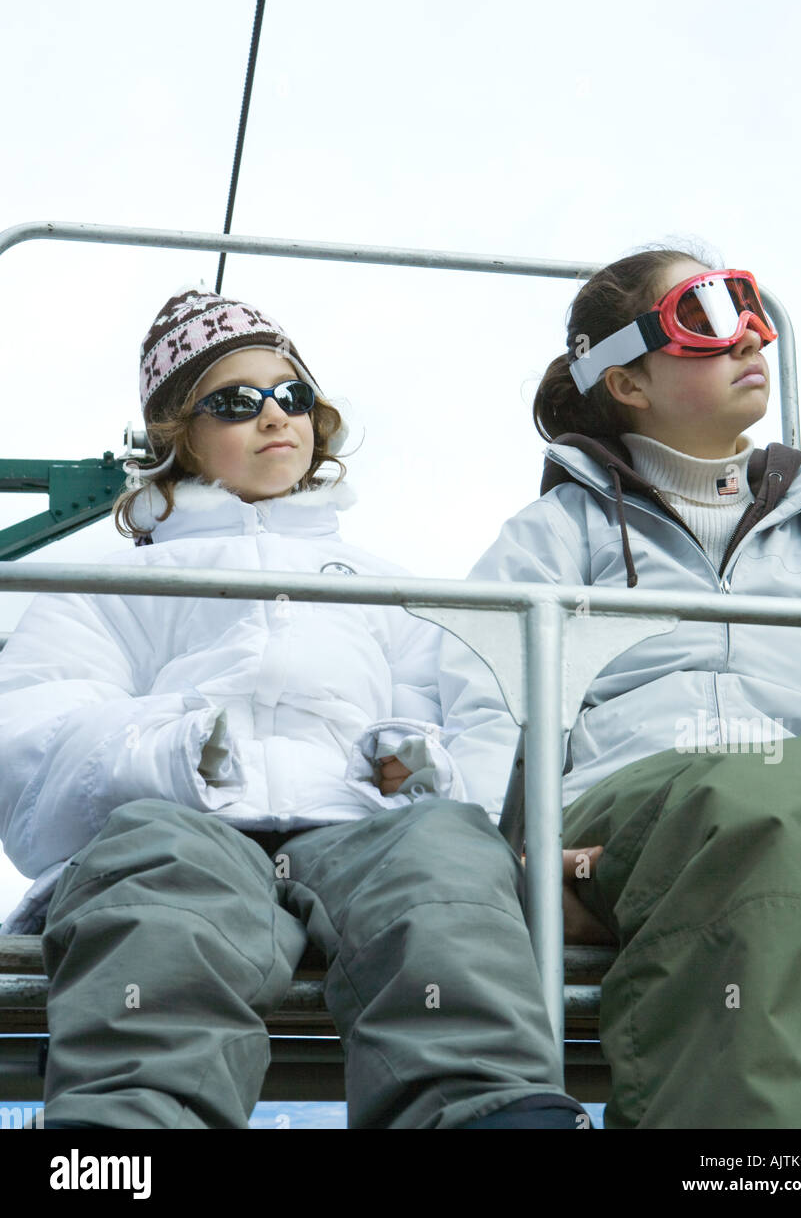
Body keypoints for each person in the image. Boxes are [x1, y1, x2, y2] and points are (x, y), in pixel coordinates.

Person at [0, 284, 587, 1130]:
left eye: (294, 397)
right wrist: (177, 753)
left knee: (442, 868)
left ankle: (480, 1107)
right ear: (179, 438)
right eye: (236, 404)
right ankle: (131, 1122)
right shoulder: (120, 583)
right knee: (161, 889)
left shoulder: (385, 586)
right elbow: (36, 727)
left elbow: (467, 712)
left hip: (357, 824)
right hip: (192, 821)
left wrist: (413, 762)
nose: (276, 417)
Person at [437, 249, 801, 1129]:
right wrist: (510, 861)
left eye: (749, 304)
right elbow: (490, 701)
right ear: (626, 381)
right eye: (705, 314)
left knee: (786, 794)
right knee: (763, 790)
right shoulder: (558, 535)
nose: (749, 333)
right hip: (624, 807)